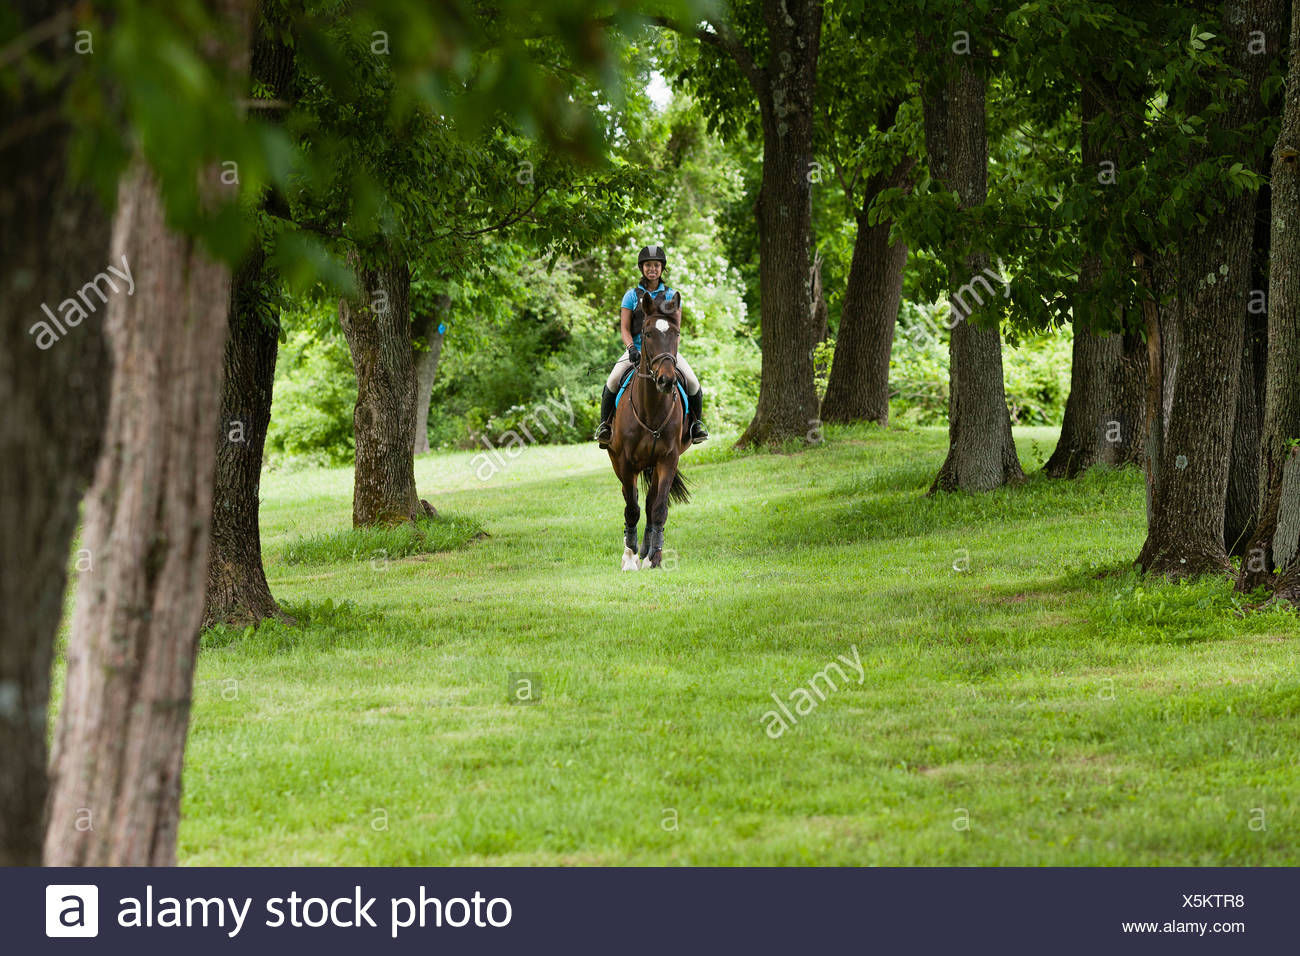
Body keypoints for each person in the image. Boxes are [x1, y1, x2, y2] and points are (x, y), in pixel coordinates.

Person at [594, 244, 709, 447]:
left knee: (692, 381)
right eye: (648, 265)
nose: (652, 269)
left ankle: (696, 425)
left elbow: (676, 331)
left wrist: (670, 354)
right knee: (612, 381)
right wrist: (631, 349)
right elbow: (625, 329)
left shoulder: (672, 296)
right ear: (642, 268)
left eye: (656, 265)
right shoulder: (631, 296)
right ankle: (605, 426)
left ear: (662, 268)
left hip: (665, 353)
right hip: (637, 351)